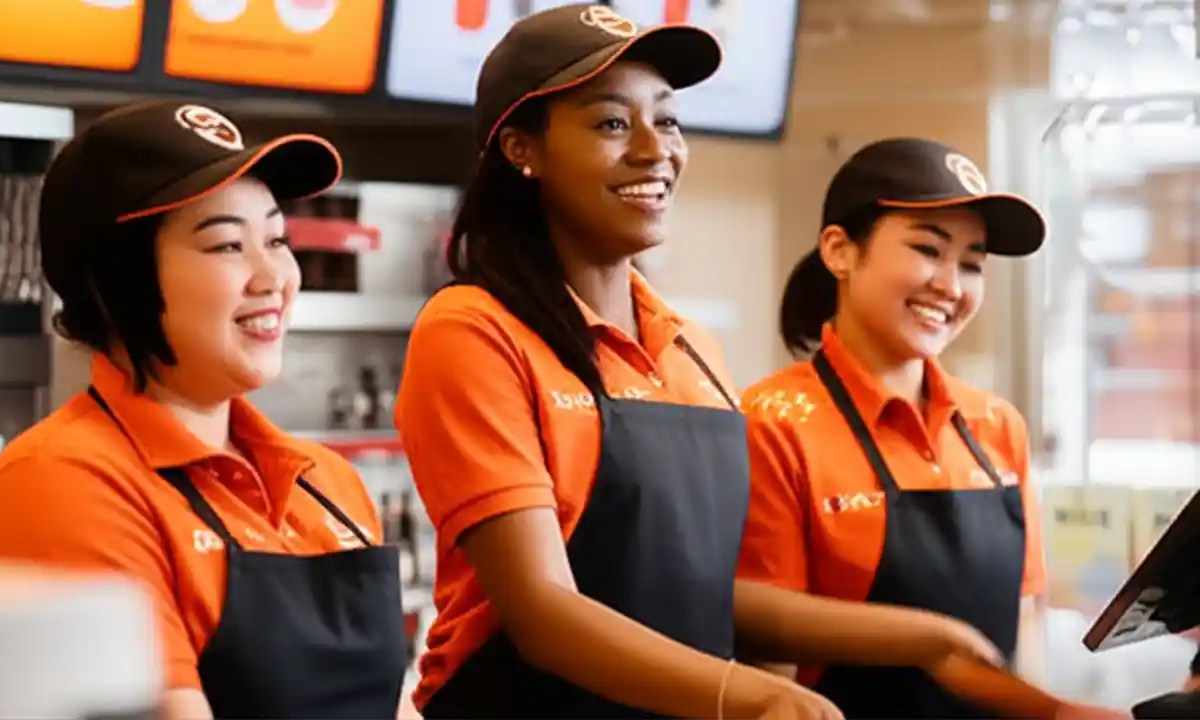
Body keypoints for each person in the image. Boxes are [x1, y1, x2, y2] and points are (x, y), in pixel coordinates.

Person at [393, 6, 1009, 719]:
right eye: (612, 123)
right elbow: (541, 612)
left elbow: (709, 597)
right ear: (521, 148)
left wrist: (926, 638)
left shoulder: (693, 348)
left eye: (669, 121)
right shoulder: (473, 329)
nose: (656, 150)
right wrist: (745, 696)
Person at [0, 100, 408, 720]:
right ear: (115, 281)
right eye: (226, 245)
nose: (273, 275)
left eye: (277, 239)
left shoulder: (326, 482)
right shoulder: (61, 485)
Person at [737, 137, 1064, 718]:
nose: (952, 286)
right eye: (927, 250)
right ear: (839, 251)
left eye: (971, 263)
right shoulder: (772, 424)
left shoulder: (995, 426)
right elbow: (770, 668)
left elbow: (1025, 629)